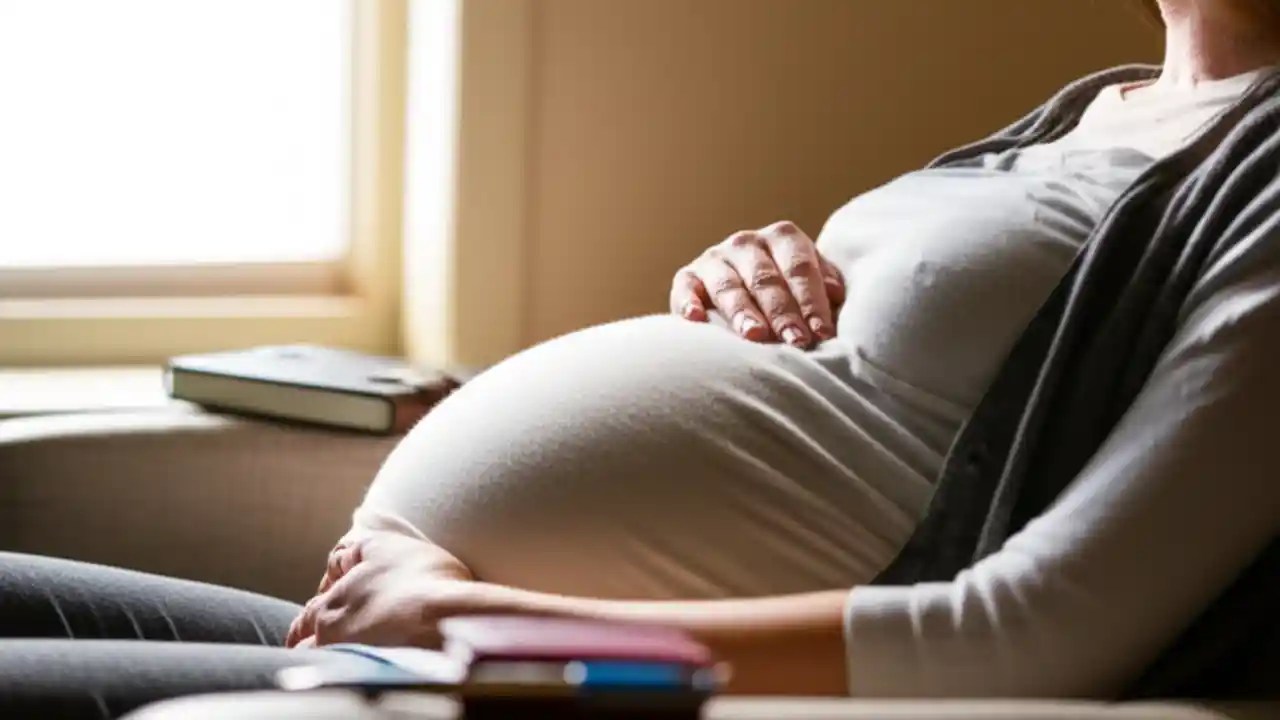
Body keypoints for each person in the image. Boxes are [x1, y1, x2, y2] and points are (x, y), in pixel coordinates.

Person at [3, 0, 1278, 716]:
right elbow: (892, 380)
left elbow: (1036, 632)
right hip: (411, 625)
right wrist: (740, 277)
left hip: (515, 670)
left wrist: (475, 618)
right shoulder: (1091, 107)